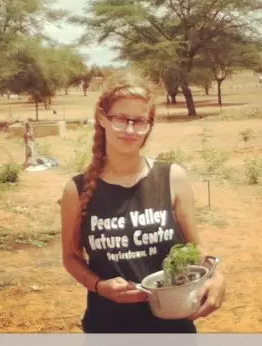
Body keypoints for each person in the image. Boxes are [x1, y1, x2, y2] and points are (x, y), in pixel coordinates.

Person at [60, 71, 226, 333]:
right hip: (108, 325)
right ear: (102, 118)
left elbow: (196, 246)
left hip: (172, 322)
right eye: (120, 119)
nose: (129, 130)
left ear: (149, 125)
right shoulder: (76, 190)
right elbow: (71, 257)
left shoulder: (172, 177)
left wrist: (216, 275)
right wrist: (99, 286)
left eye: (139, 122)